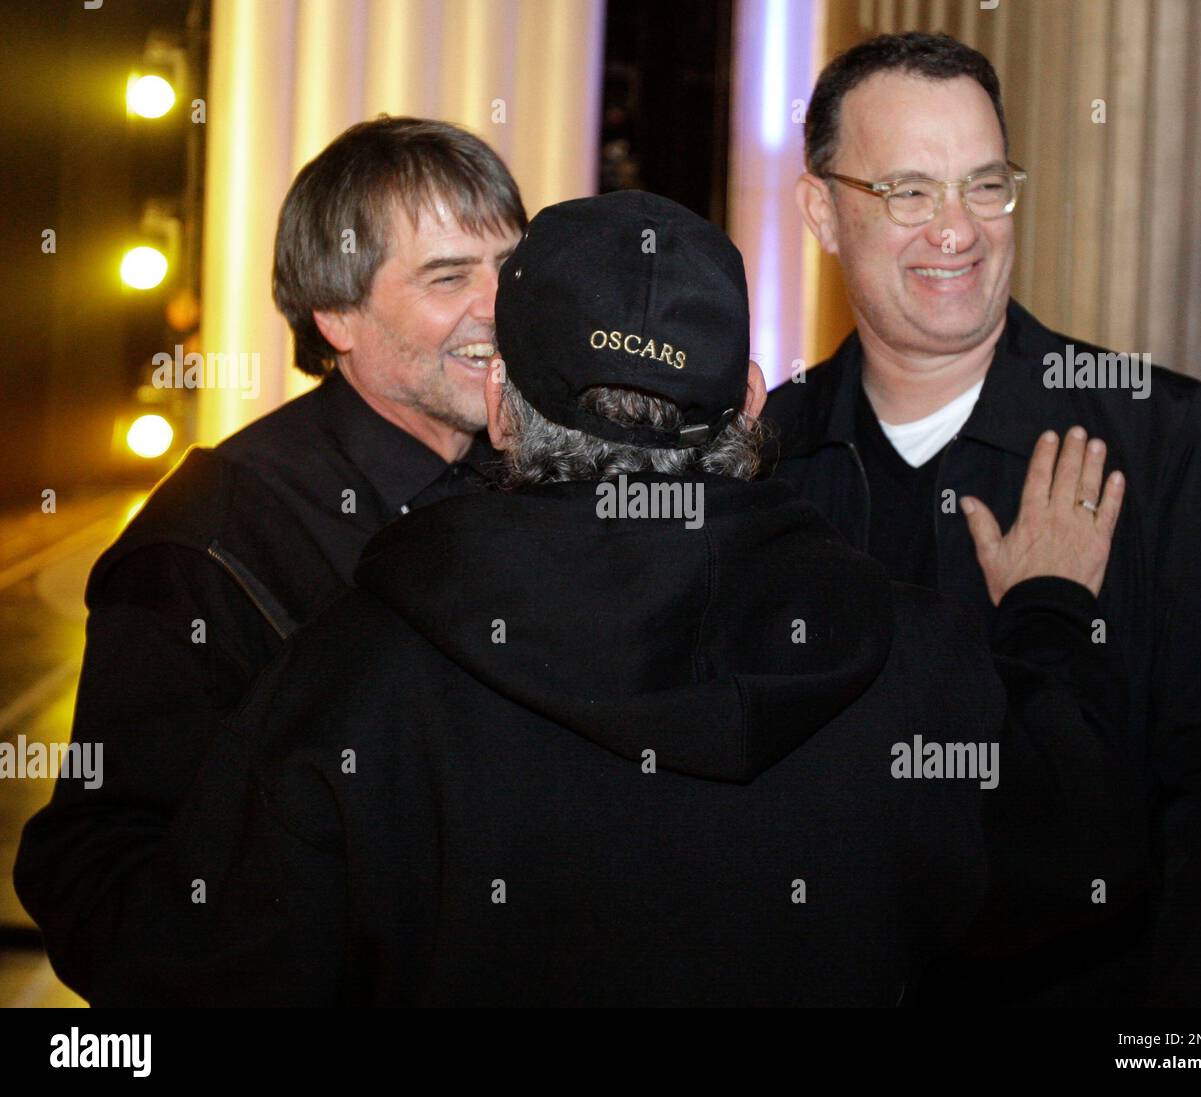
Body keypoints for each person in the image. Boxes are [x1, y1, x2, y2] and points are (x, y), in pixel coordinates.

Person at [106, 190, 1143, 1006]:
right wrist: (1048, 611)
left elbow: (202, 965)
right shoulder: (906, 653)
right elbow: (1078, 860)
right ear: (748, 402)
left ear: (501, 402)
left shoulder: (356, 675)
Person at [766, 31, 1201, 1006]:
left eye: (985, 184)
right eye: (909, 192)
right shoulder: (769, 458)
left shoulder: (1158, 439)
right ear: (822, 212)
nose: (956, 229)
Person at [15, 116, 524, 1005]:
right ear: (337, 314)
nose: (498, 307)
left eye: (510, 270)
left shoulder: (543, 486)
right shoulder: (207, 538)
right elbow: (97, 876)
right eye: (449, 277)